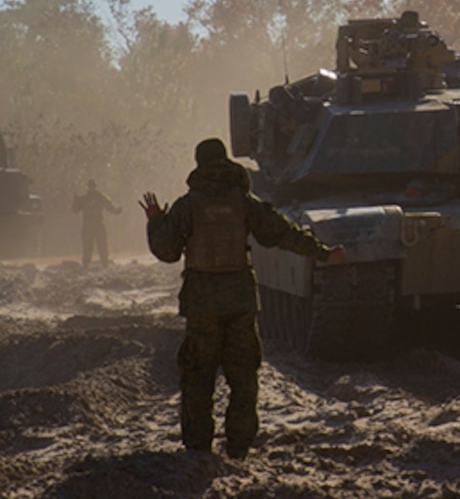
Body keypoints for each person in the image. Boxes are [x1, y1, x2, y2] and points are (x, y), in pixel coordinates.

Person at [139, 138, 345, 459]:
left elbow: (166, 251)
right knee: (244, 378)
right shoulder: (244, 202)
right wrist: (323, 254)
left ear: (199, 165)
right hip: (240, 304)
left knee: (197, 378)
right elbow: (283, 233)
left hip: (201, 305)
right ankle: (238, 447)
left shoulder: (186, 205)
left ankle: (198, 449)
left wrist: (155, 220)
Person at [72, 179, 122, 268]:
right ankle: (86, 265)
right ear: (88, 187)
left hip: (98, 223)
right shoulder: (84, 199)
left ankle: (104, 264)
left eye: (93, 186)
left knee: (102, 245)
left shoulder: (100, 197)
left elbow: (109, 206)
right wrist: (75, 201)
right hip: (87, 225)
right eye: (90, 186)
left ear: (95, 187)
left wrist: (116, 211)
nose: (92, 188)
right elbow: (75, 210)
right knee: (87, 247)